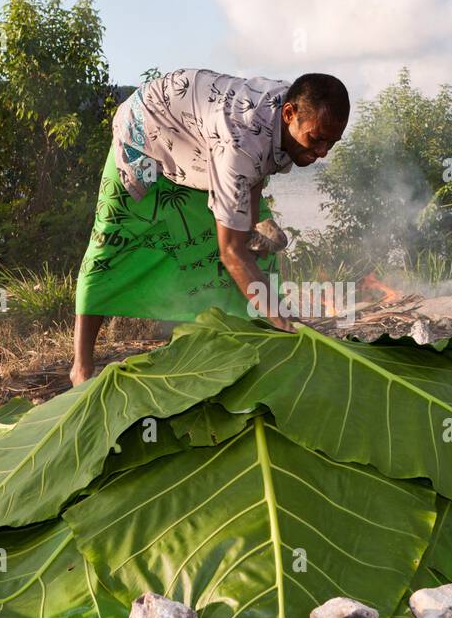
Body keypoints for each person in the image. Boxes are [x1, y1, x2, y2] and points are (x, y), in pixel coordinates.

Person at [69, 68, 349, 385]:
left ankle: (242, 344)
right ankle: (81, 368)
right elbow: (231, 251)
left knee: (257, 255)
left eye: (332, 142)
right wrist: (285, 321)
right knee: (113, 245)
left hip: (199, 146)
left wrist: (252, 225)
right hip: (146, 133)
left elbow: (257, 169)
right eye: (317, 139)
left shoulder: (292, 114)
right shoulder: (239, 142)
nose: (323, 152)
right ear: (289, 114)